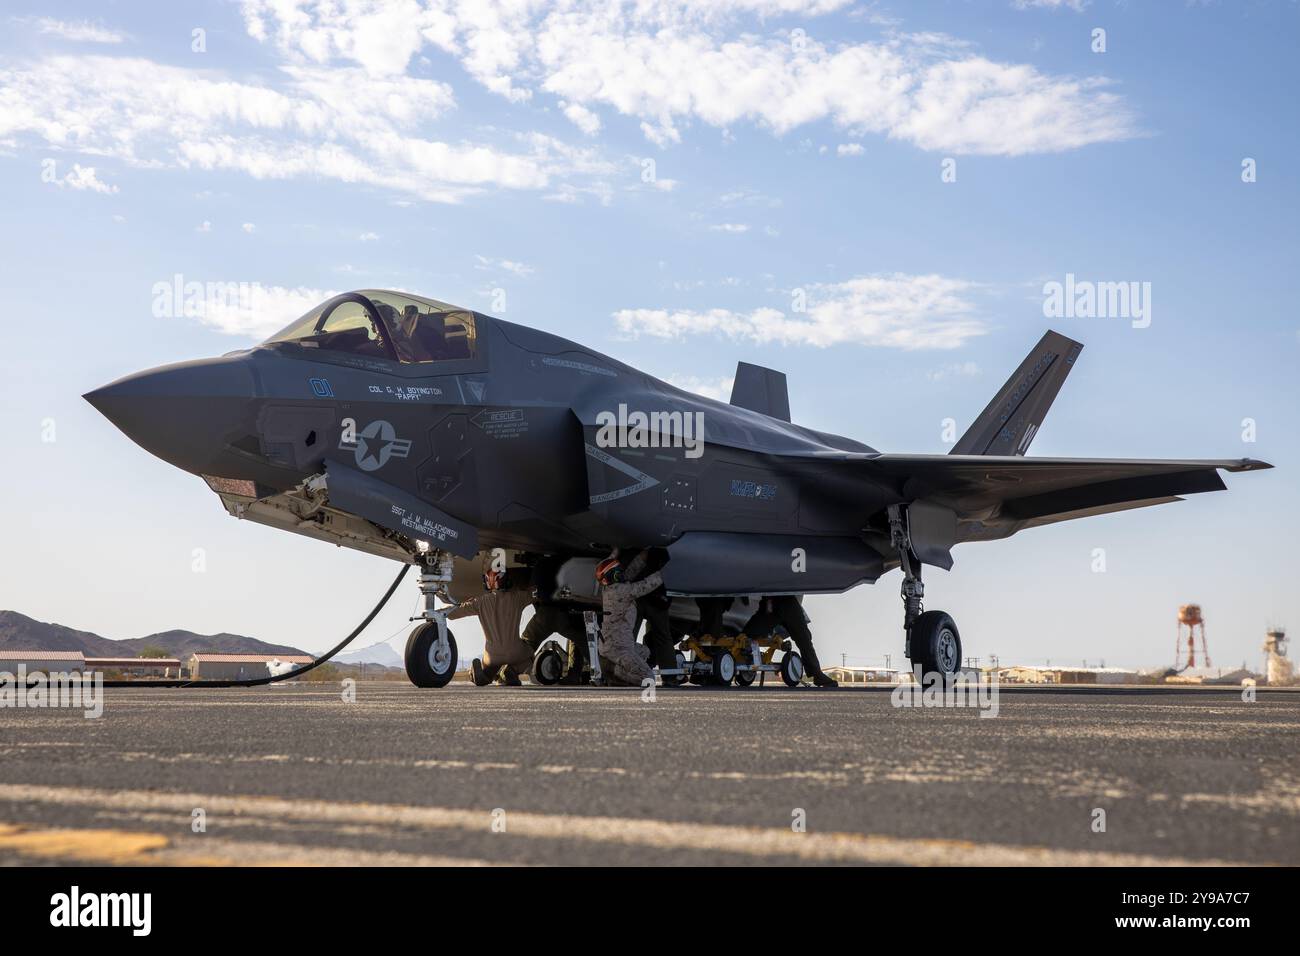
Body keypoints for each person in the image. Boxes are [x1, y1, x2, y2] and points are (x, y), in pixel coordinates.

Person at [451, 567, 536, 686]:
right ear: (507, 581)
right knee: (530, 656)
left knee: (489, 666)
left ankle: (483, 675)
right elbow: (537, 593)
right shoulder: (517, 597)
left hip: (492, 655)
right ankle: (512, 670)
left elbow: (453, 613)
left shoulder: (480, 602)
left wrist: (436, 613)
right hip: (515, 652)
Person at [595, 550, 665, 686]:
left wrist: (618, 552)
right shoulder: (622, 591)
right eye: (618, 571)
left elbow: (620, 571)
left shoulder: (608, 588)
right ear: (612, 576)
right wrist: (665, 572)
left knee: (644, 651)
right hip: (619, 648)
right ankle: (615, 671)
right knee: (649, 679)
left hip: (613, 644)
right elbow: (646, 585)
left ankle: (618, 673)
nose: (621, 572)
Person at [743, 595, 839, 687]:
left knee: (804, 639)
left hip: (787, 604)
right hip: (772, 602)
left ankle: (817, 674)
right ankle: (740, 657)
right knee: (745, 637)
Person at [520, 557, 589, 684]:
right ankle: (577, 675)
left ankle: (509, 671)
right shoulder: (569, 563)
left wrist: (540, 611)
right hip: (564, 613)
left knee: (527, 643)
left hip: (545, 612)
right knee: (582, 642)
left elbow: (533, 593)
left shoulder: (540, 565)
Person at [631, 547, 677, 671]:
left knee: (628, 636)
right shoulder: (668, 552)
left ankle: (627, 670)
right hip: (659, 600)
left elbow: (631, 572)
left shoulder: (645, 549)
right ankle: (670, 674)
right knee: (663, 637)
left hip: (640, 597)